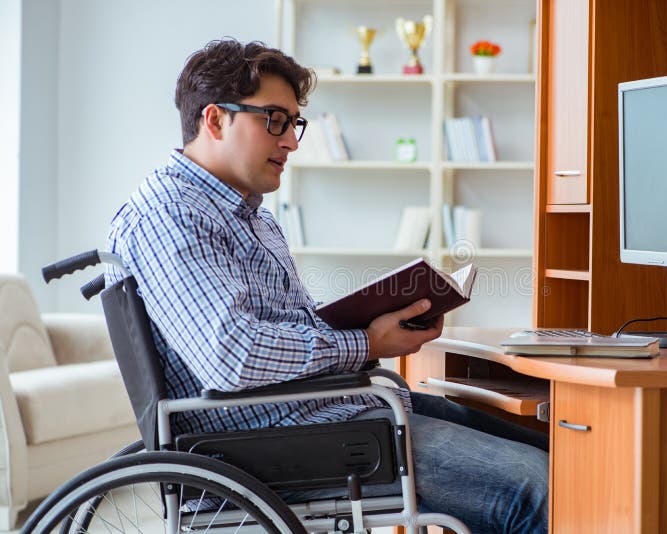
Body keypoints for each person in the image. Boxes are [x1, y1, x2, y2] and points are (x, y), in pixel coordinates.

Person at [106, 38, 548, 534]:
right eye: (274, 120)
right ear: (214, 120)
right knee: (541, 490)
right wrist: (365, 342)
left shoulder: (249, 215)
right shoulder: (169, 215)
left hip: (325, 414)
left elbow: (277, 325)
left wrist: (374, 317)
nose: (292, 141)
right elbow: (233, 355)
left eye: (294, 123)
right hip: (276, 441)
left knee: (550, 448)